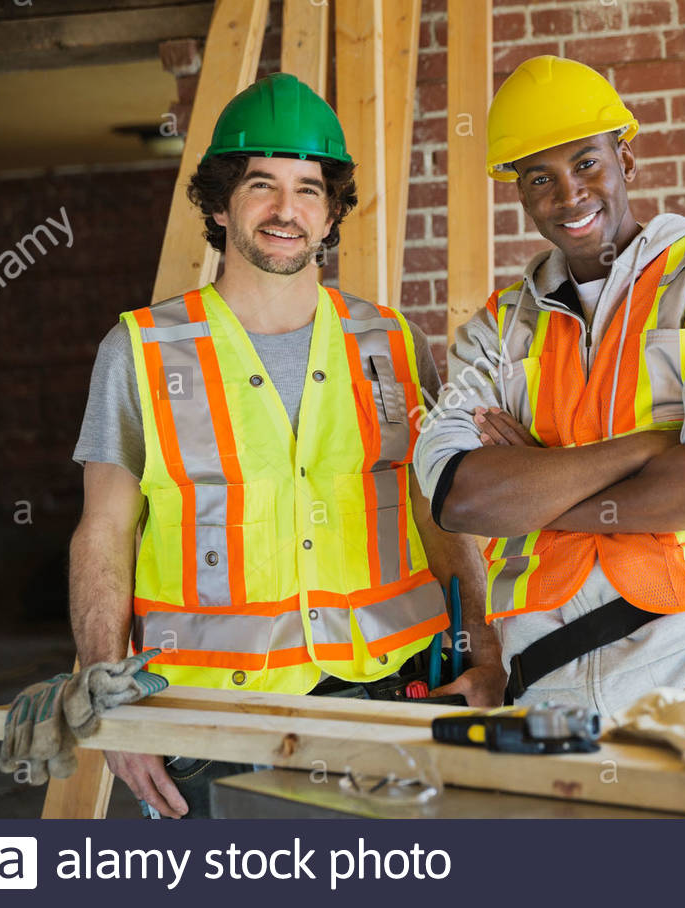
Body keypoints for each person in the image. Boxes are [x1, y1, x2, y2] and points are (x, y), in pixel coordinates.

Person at [69, 73, 502, 818]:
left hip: (395, 694)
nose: (285, 211)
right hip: (211, 722)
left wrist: (486, 648)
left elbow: (437, 513)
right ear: (219, 201)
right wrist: (109, 701)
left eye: (308, 189)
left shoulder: (394, 344)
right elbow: (104, 531)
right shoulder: (141, 350)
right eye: (261, 185)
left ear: (332, 212)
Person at [413, 56, 685, 720]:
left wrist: (534, 491)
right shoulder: (496, 329)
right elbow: (460, 497)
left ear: (625, 163)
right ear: (518, 191)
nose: (568, 196)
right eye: (539, 177)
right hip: (544, 683)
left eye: (586, 164)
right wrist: (643, 451)